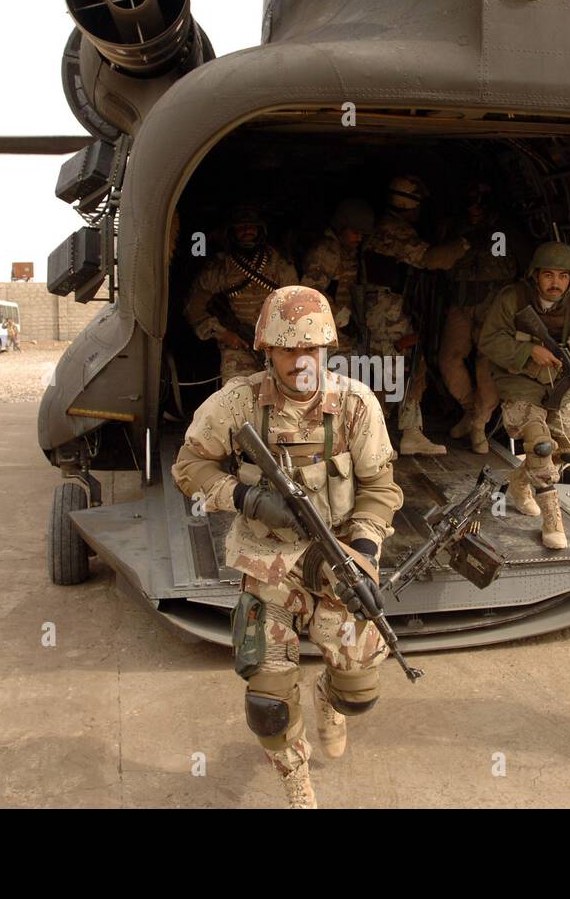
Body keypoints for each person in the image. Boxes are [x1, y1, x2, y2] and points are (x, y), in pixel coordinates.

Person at [170, 285, 403, 808]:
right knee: (268, 701)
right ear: (266, 350)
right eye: (289, 348)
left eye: (314, 349)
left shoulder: (356, 404)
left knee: (359, 692)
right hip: (269, 562)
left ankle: (329, 697)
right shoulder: (238, 401)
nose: (303, 361)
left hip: (339, 557)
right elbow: (189, 466)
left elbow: (380, 487)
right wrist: (247, 498)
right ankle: (296, 781)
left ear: (329, 350)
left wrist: (364, 552)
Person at [478, 241, 570, 549]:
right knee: (539, 442)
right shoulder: (512, 299)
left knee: (568, 444)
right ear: (536, 276)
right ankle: (552, 519)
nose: (555, 283)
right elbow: (489, 341)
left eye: (563, 276)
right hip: (517, 377)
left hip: (557, 381)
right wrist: (527, 351)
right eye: (548, 275)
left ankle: (519, 484)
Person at [360, 174, 470, 455]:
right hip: (387, 312)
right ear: (409, 204)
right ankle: (376, 437)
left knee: (410, 368)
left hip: (392, 309)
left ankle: (410, 432)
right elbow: (434, 259)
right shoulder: (393, 230)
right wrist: (465, 243)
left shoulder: (390, 227)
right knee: (389, 374)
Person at [439, 182, 521, 454]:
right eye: (469, 203)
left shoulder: (506, 230)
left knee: (488, 363)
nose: (474, 209)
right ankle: (470, 410)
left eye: (480, 203)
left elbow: (520, 265)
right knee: (449, 359)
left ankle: (478, 425)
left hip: (494, 303)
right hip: (461, 301)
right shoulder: (455, 227)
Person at [183, 205, 298, 382]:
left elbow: (297, 307)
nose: (247, 231)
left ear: (260, 231)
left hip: (276, 344)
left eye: (251, 227)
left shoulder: (279, 265)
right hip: (238, 348)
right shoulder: (219, 269)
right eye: (241, 228)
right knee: (235, 397)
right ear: (232, 233)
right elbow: (194, 309)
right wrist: (224, 334)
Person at [301, 197, 376, 359]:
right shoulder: (328, 251)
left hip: (340, 338)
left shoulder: (349, 252)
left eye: (362, 234)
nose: (359, 238)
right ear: (340, 228)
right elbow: (310, 292)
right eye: (355, 233)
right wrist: (343, 319)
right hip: (325, 336)